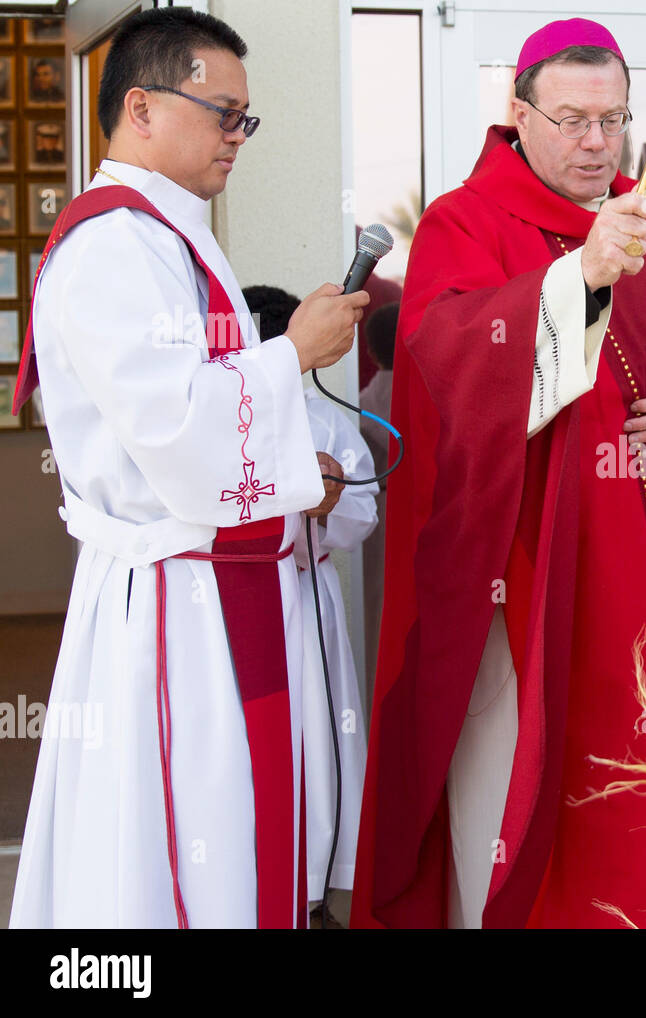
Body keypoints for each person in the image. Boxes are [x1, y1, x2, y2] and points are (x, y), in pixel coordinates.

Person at [352, 18, 646, 930]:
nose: (595, 143)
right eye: (571, 119)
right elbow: (444, 361)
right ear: (519, 113)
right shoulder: (466, 220)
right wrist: (575, 277)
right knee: (531, 780)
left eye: (613, 121)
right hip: (535, 570)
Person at [8, 8, 368, 928]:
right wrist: (292, 354)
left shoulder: (170, 233)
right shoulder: (109, 246)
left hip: (216, 589)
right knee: (177, 860)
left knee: (231, 844)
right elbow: (174, 428)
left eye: (247, 118)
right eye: (223, 113)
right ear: (142, 107)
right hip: (173, 603)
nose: (238, 137)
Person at [243, 285, 379, 927]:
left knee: (316, 735)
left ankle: (314, 887)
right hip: (235, 596)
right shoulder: (234, 410)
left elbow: (359, 518)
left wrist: (324, 505)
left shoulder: (327, 421)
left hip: (305, 592)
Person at [358, 301, 398, 703]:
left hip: (378, 512)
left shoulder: (361, 404)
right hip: (422, 509)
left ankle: (376, 705)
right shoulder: (431, 395)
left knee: (376, 611)